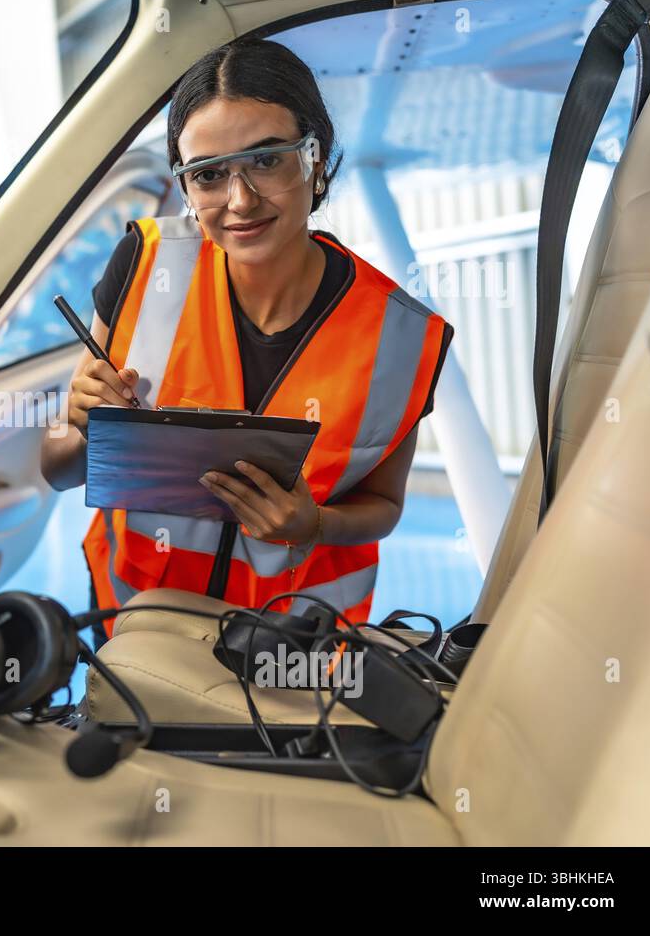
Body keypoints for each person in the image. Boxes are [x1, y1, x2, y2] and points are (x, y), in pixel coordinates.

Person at [40, 37, 453, 640]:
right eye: (208, 175)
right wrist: (77, 424)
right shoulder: (144, 267)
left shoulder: (402, 335)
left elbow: (384, 508)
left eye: (267, 160)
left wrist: (314, 526)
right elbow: (57, 470)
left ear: (317, 158)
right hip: (140, 630)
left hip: (291, 652)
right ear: (185, 189)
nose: (240, 201)